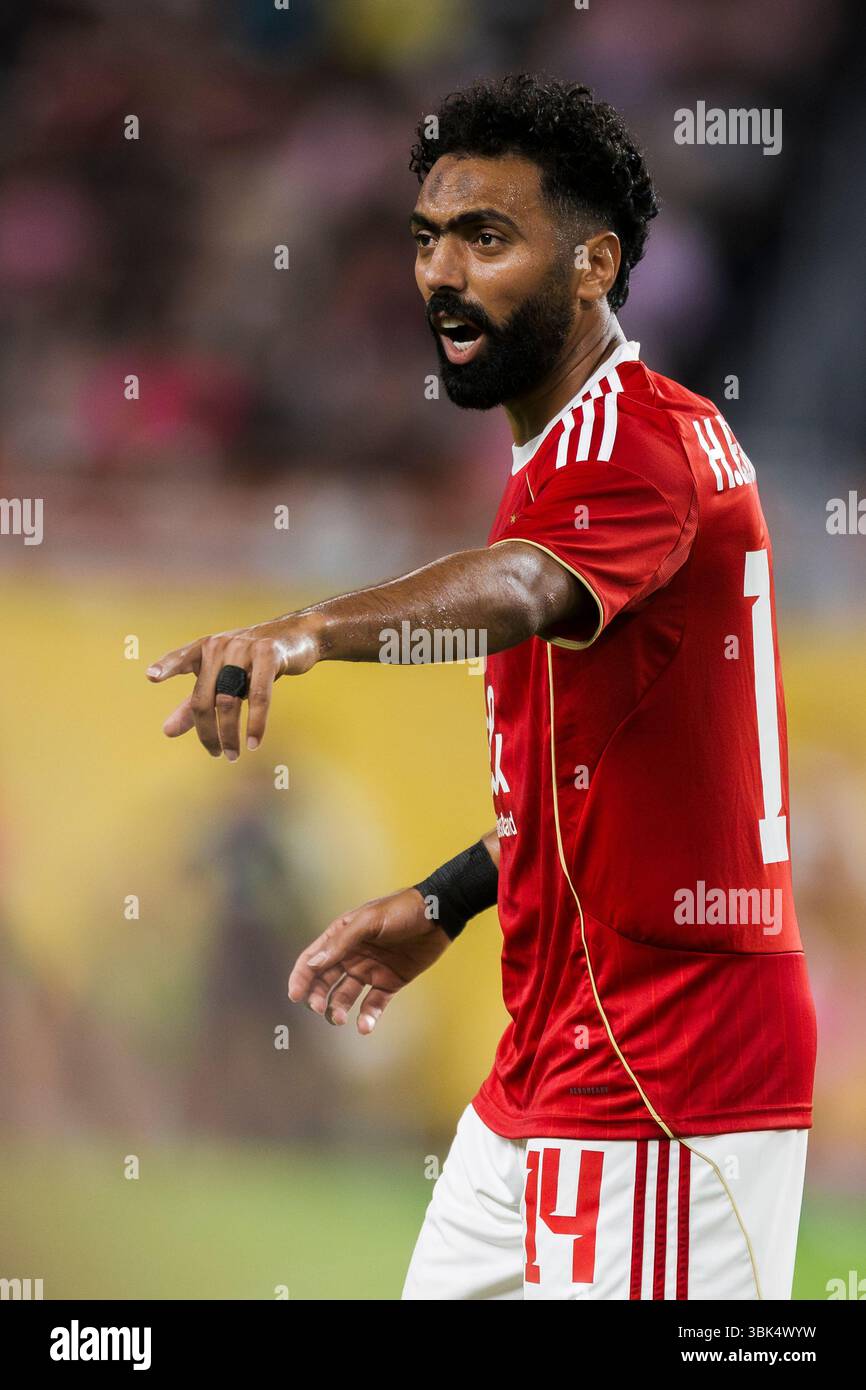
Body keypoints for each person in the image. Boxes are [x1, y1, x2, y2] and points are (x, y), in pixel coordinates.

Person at [147, 76, 816, 1300]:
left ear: (592, 264)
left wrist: (305, 630)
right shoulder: (570, 454)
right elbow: (603, 783)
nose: (441, 274)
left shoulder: (631, 441)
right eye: (427, 239)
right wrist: (448, 898)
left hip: (663, 1073)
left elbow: (519, 587)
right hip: (549, 1060)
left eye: (486, 238)